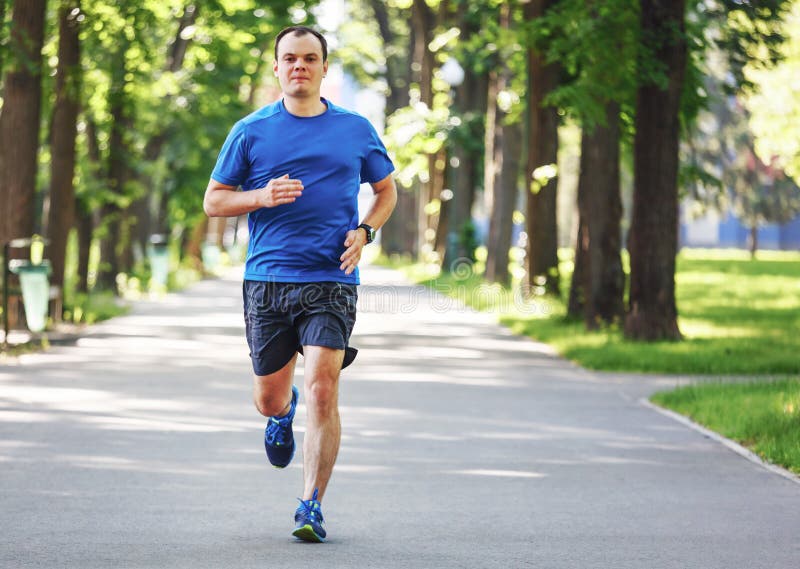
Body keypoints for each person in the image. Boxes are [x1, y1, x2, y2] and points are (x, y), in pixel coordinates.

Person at [203, 25, 397, 543]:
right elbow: (215, 200)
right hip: (267, 279)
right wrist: (261, 197)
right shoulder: (251, 130)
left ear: (324, 68)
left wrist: (365, 230)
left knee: (324, 387)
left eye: (310, 58)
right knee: (271, 396)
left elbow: (385, 191)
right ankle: (279, 413)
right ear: (276, 67)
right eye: (290, 58)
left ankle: (310, 504)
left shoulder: (355, 129)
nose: (299, 67)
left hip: (332, 278)